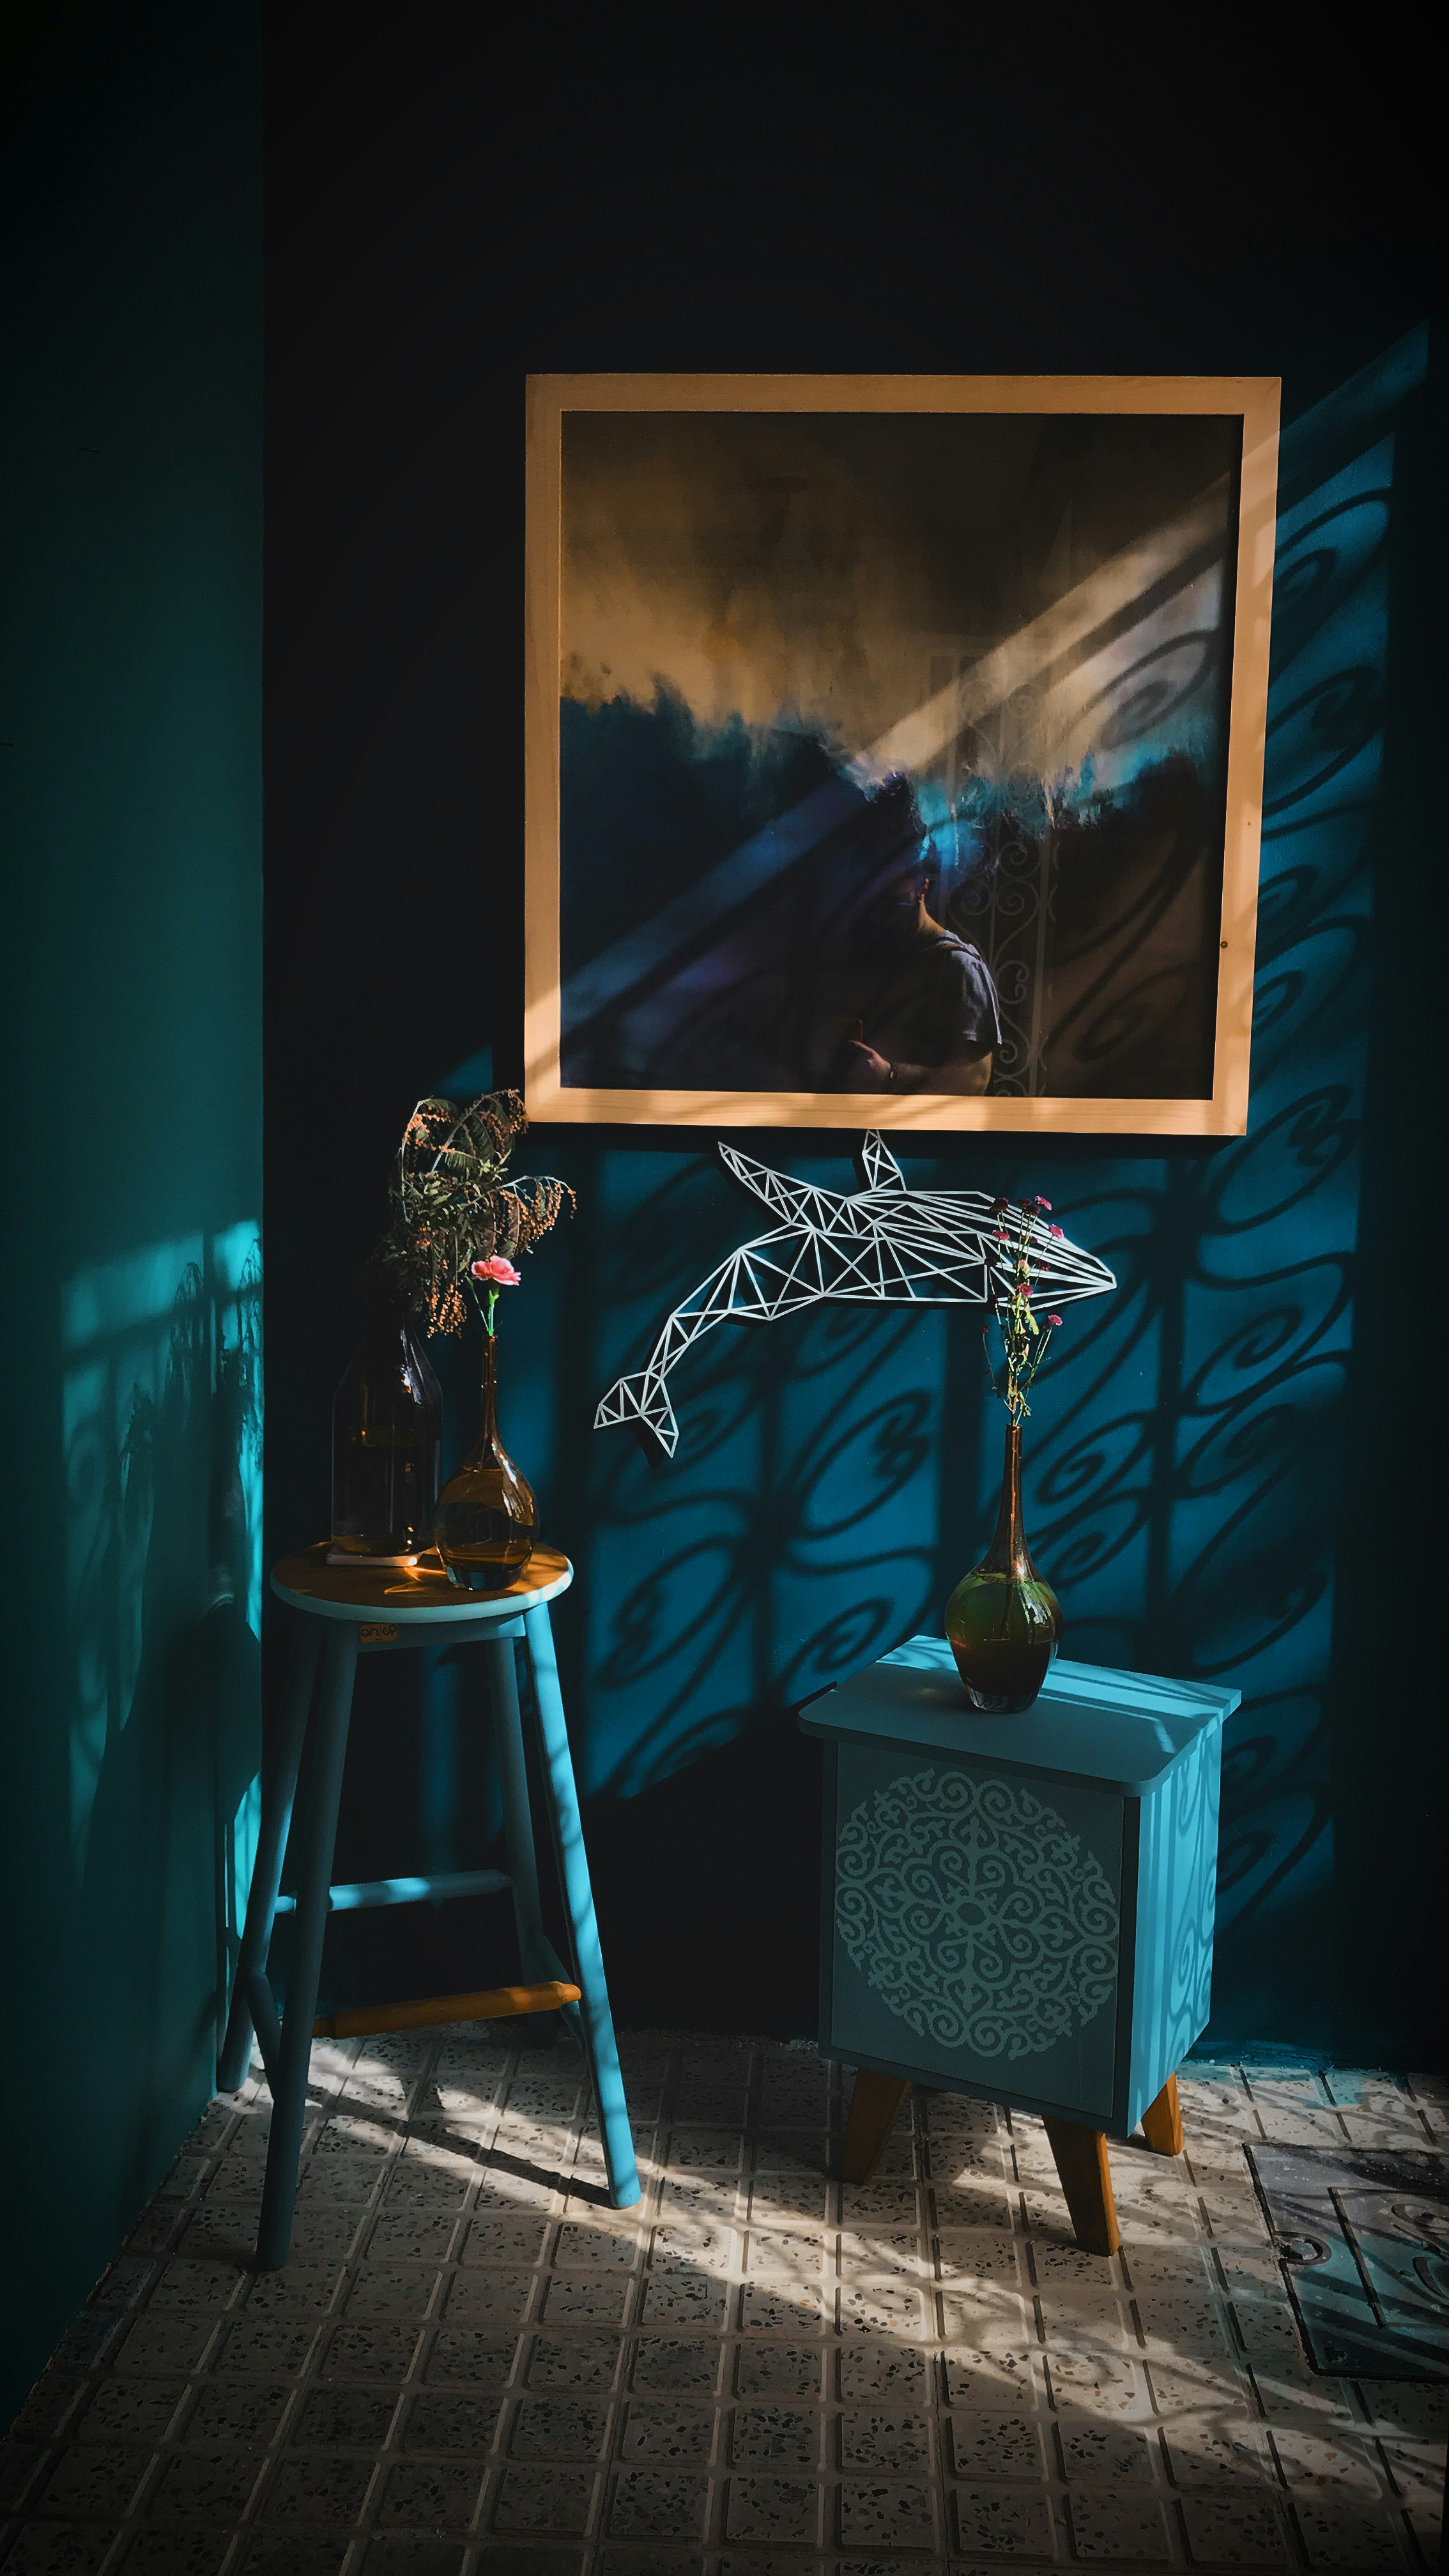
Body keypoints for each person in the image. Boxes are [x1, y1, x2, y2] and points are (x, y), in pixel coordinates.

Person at [827, 783, 1002, 1094]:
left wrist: (890, 1076)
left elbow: (974, 1079)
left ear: (923, 884)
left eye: (892, 892)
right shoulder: (864, 956)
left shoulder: (957, 966)